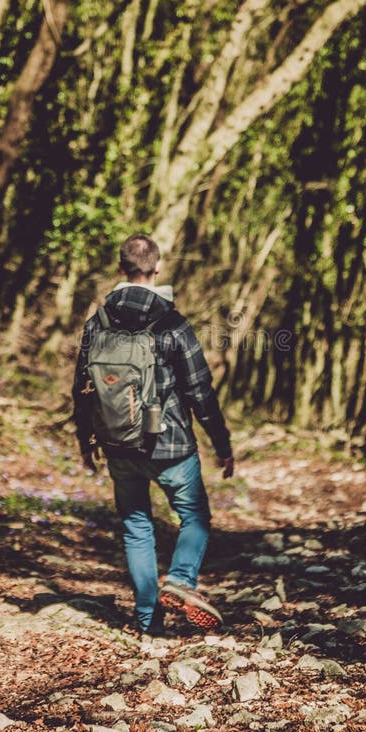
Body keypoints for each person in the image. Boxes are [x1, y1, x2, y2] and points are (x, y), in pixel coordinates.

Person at [72, 233, 234, 635]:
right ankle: (181, 579)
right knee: (194, 516)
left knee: (136, 525)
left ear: (121, 268)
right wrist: (222, 444)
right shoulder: (172, 322)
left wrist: (85, 440)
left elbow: (83, 387)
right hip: (172, 445)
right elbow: (199, 390)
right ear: (157, 268)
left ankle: (147, 621)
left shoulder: (99, 321)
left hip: (118, 444)